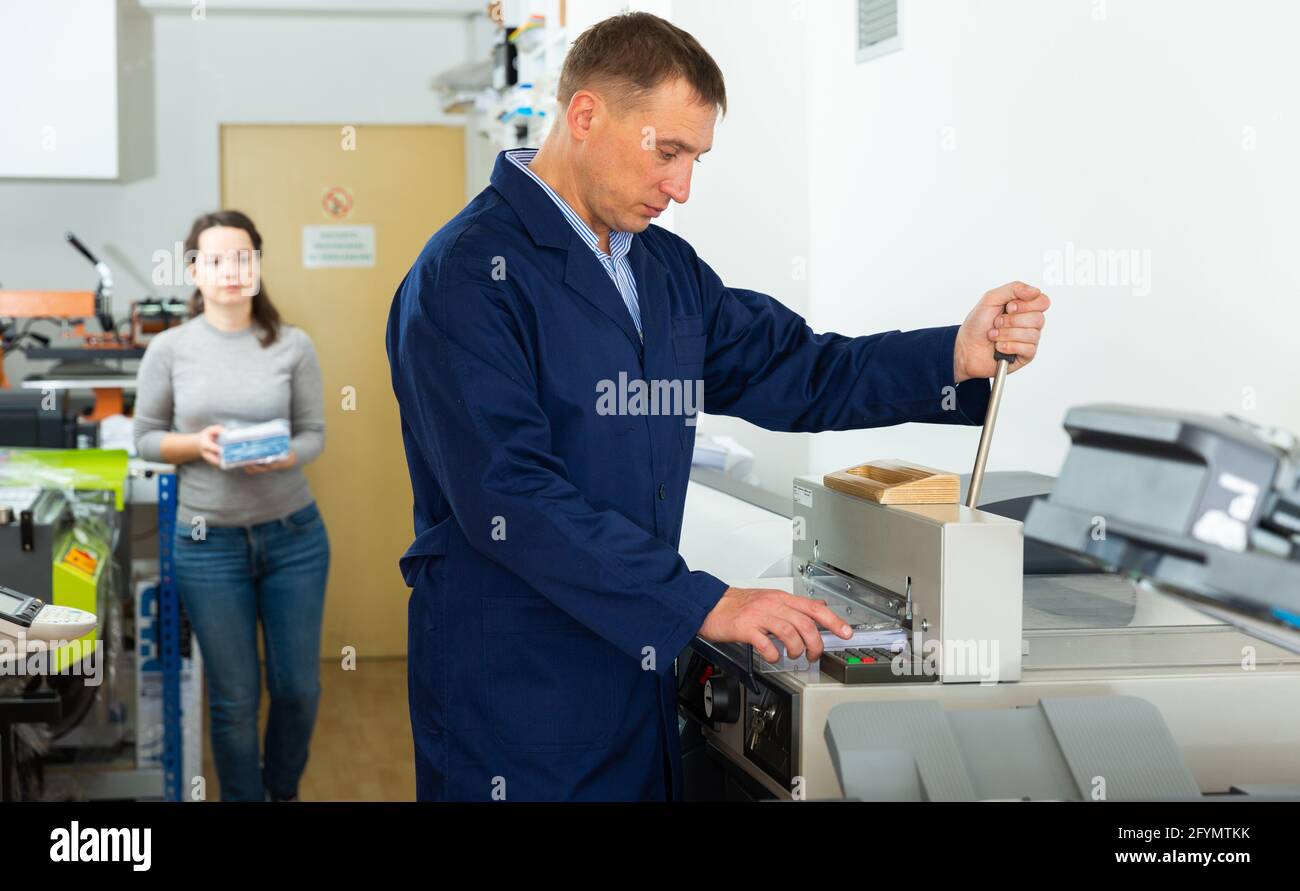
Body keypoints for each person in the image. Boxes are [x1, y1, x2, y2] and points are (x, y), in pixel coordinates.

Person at [386, 13, 1049, 801]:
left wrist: (953, 358)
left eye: (695, 158)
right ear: (587, 114)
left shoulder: (659, 268)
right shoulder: (467, 275)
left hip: (631, 671)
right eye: (666, 152)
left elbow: (798, 368)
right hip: (518, 687)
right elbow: (510, 494)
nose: (682, 186)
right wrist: (704, 600)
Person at [134, 209, 329, 802]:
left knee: (298, 688)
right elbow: (145, 438)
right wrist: (200, 445)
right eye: (215, 259)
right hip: (207, 544)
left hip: (293, 537)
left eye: (242, 257)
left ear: (257, 264)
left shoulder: (292, 344)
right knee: (235, 700)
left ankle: (282, 790)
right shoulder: (169, 350)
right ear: (193, 269)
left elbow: (314, 433)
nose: (229, 270)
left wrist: (284, 456)